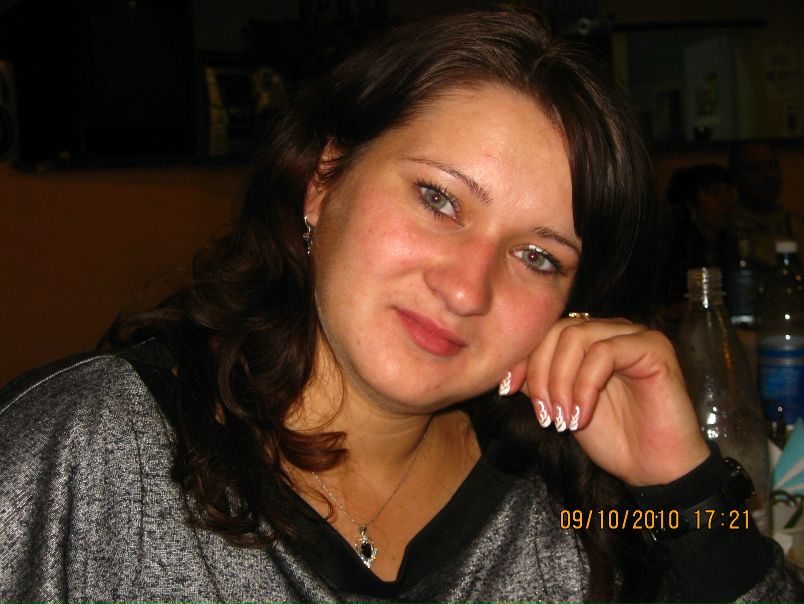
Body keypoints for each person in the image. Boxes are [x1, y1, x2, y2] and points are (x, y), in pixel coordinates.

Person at [1, 8, 801, 603]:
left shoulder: (562, 506)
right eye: (438, 199)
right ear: (324, 179)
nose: (466, 288)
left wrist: (685, 493)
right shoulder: (84, 450)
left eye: (537, 257)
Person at [661, 164, 740, 313]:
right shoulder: (671, 248)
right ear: (691, 204)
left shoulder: (733, 243)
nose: (727, 201)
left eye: (729, 191)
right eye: (714, 193)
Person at [729, 141, 804, 269]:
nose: (768, 176)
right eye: (755, 169)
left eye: (772, 166)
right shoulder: (726, 230)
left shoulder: (797, 226)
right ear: (736, 176)